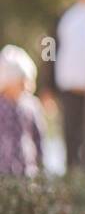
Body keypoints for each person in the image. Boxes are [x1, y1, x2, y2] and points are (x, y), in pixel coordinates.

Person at [54, 0, 85, 169]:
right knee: (70, 138)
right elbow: (52, 51)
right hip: (71, 90)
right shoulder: (67, 17)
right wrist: (48, 87)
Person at [0, 45, 44, 177]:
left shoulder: (31, 105)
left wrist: (41, 164)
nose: (26, 86)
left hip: (27, 170)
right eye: (21, 81)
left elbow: (38, 137)